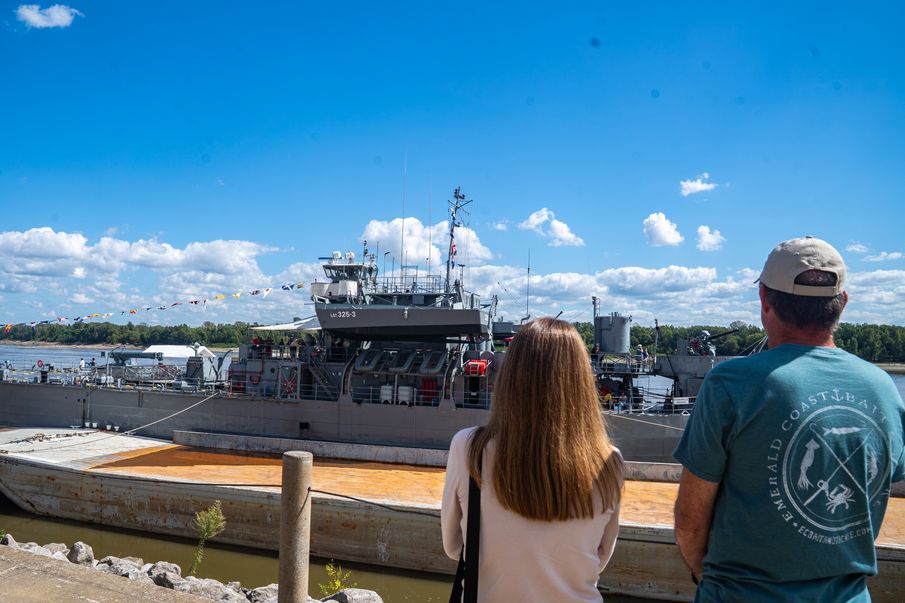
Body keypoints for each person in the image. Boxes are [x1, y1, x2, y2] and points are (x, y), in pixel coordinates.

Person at [673, 236, 905, 602]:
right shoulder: (884, 389)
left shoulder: (730, 385)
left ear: (764, 299)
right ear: (842, 303)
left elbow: (689, 524)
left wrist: (709, 578)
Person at [441, 317, 624, 602]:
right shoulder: (611, 461)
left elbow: (454, 547)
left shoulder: (468, 447)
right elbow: (600, 557)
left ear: (511, 377)